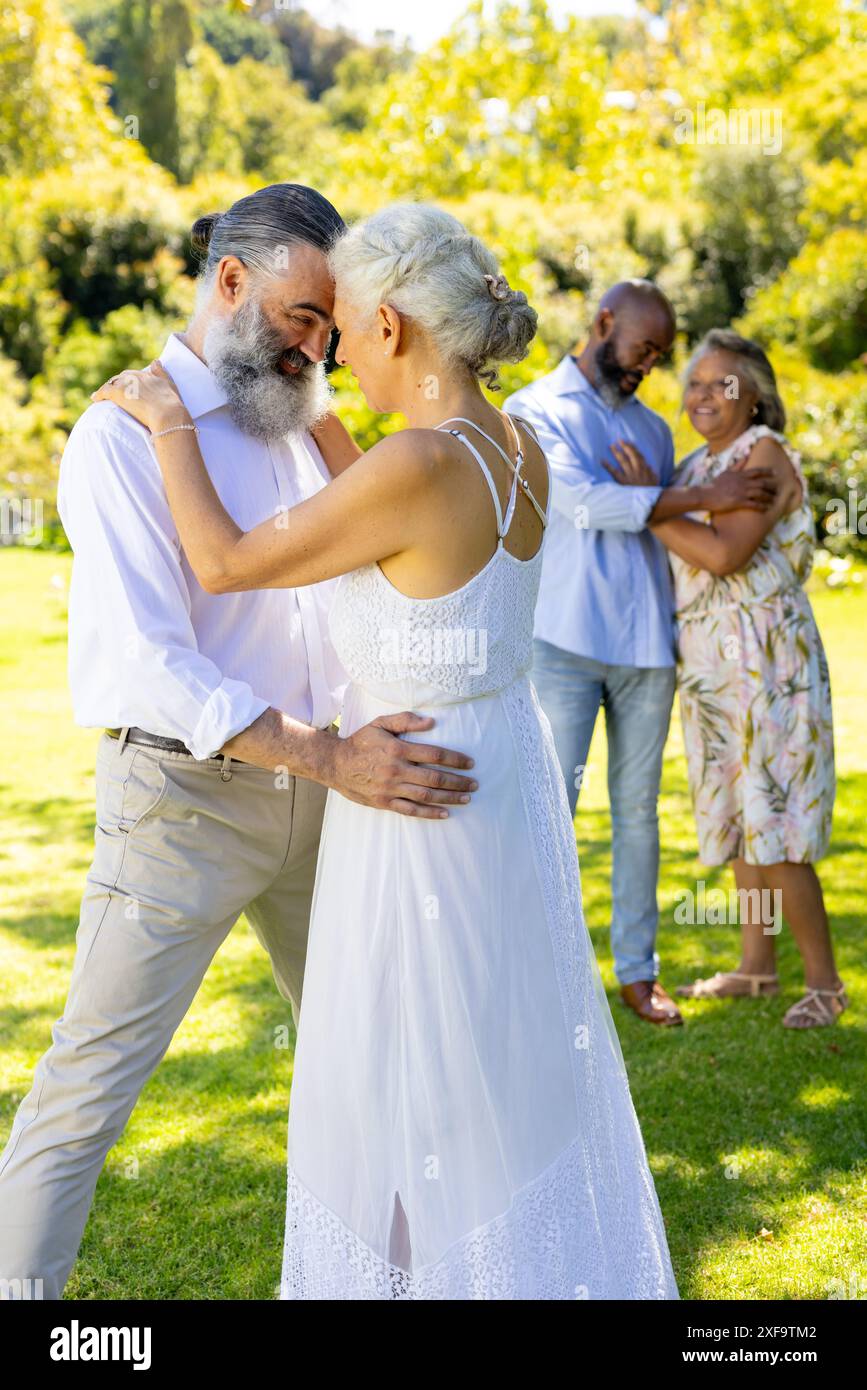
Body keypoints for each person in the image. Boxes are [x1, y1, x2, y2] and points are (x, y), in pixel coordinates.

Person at [92, 203, 679, 1299]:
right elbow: (390, 512)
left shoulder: (414, 469)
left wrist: (168, 416)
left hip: (414, 813)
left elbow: (221, 561)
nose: (328, 347)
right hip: (493, 787)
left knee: (409, 1086)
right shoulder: (515, 448)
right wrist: (314, 415)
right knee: (497, 1073)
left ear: (398, 329)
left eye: (347, 326)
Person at [0, 184, 480, 1301]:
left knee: (376, 1063)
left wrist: (346, 761)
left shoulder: (298, 412)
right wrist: (332, 755)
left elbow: (374, 544)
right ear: (229, 281)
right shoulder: (120, 436)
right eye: (305, 316)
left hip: (331, 809)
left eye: (332, 325)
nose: (321, 343)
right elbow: (152, 662)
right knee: (89, 1084)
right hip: (187, 802)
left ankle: (399, 1286)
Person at [503, 283, 778, 1026]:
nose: (648, 368)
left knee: (638, 816)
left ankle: (636, 973)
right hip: (563, 642)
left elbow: (658, 518)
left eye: (659, 356)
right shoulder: (532, 411)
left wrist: (671, 494)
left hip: (646, 649)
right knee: (551, 810)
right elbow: (585, 505)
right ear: (601, 325)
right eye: (641, 350)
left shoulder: (654, 430)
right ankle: (539, 972)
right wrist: (699, 495)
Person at [624, 330, 844, 1029]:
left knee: (775, 820)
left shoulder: (762, 455)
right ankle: (755, 967)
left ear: (753, 393)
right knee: (741, 822)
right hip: (713, 668)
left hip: (767, 661)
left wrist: (646, 504)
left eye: (720, 384)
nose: (701, 396)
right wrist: (658, 500)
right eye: (692, 384)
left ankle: (825, 983)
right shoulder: (696, 466)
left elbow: (723, 554)